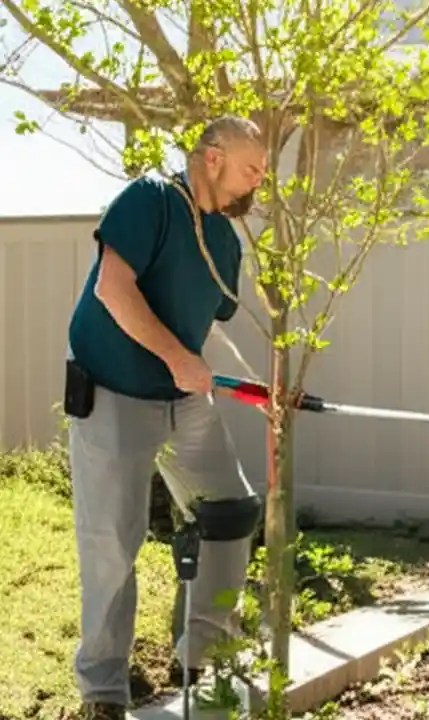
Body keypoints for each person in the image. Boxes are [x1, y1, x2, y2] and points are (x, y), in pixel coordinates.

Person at [64, 116, 267, 720]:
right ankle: (103, 691)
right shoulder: (149, 199)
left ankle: (204, 657)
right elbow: (112, 289)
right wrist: (179, 359)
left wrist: (260, 385)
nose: (260, 179)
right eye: (252, 167)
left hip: (183, 401)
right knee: (112, 542)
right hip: (113, 395)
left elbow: (204, 331)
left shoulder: (224, 241)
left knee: (230, 512)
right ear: (211, 158)